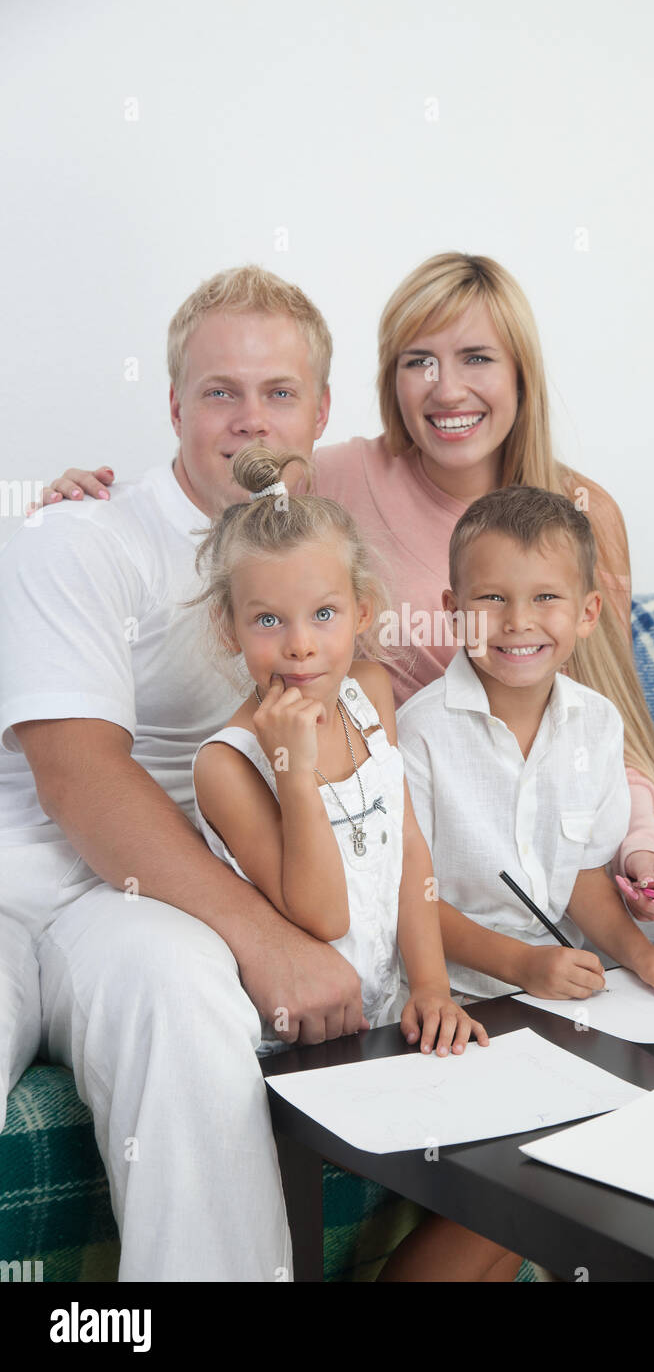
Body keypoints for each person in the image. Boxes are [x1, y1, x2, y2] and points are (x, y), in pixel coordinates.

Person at [44, 254, 654, 1004]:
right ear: (386, 382)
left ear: (521, 375)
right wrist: (93, 504)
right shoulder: (330, 479)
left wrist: (639, 841)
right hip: (448, 821)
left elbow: (614, 718)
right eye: (418, 363)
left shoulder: (583, 510)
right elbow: (223, 492)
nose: (446, 389)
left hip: (592, 804)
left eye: (476, 359)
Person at [0, 270, 363, 1281]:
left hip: (132, 903)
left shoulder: (305, 568)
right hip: (17, 879)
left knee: (183, 987)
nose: (249, 421)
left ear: (320, 413)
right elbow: (79, 779)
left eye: (279, 393)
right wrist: (268, 940)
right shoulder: (79, 535)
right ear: (173, 406)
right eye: (219, 392)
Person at [187, 439, 523, 1281]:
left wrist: (436, 988)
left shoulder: (371, 694)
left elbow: (409, 853)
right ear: (229, 626)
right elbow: (324, 915)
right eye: (268, 620)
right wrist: (295, 768)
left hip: (396, 999)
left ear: (363, 610)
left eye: (324, 615)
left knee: (531, 1182)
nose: (300, 647)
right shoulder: (227, 765)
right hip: (309, 1041)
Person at [396, 483, 654, 995]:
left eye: (546, 597)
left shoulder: (596, 723)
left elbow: (581, 875)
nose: (518, 621)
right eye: (492, 598)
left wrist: (646, 956)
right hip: (456, 988)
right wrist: (521, 965)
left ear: (588, 613)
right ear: (453, 609)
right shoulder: (417, 734)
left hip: (564, 979)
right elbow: (404, 897)